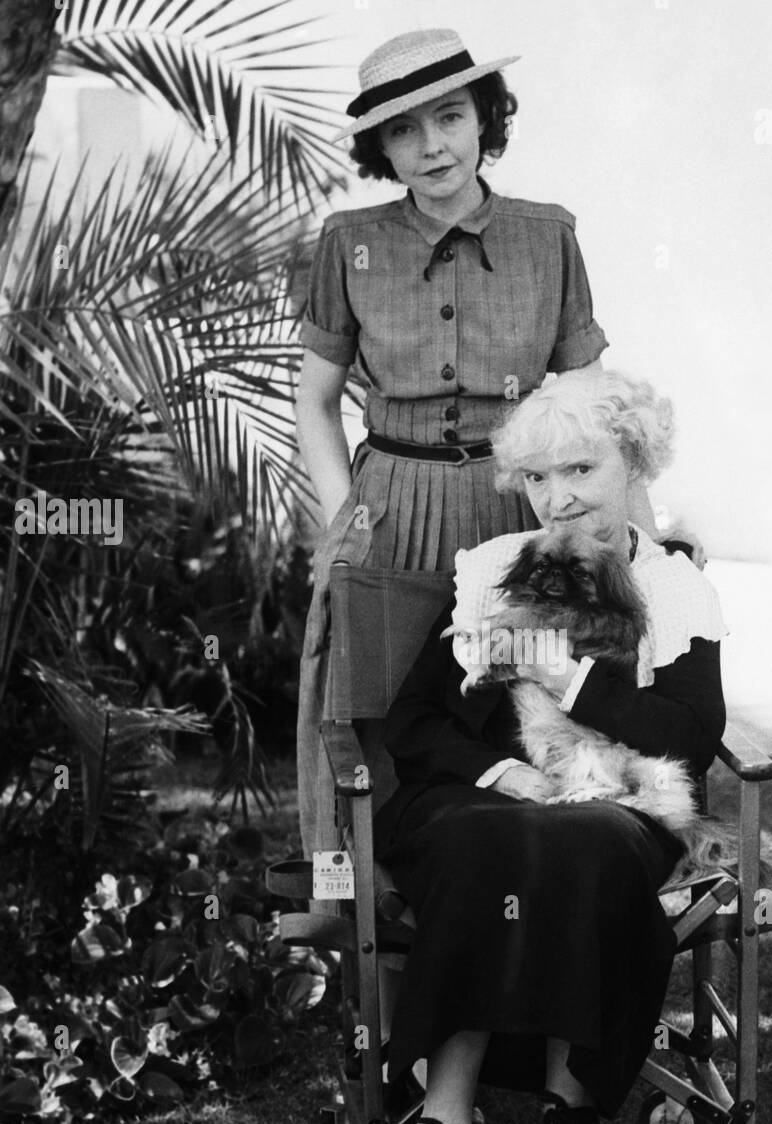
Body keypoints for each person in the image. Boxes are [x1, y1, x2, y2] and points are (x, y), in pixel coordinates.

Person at [372, 371, 728, 1124]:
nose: (556, 500)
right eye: (538, 477)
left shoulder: (677, 589)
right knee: (489, 836)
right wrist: (504, 772)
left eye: (579, 470)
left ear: (633, 462)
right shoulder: (494, 570)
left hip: (621, 799)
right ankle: (447, 1110)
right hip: (476, 795)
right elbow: (413, 723)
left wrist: (564, 683)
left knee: (587, 838)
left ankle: (572, 1103)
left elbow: (688, 735)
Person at [296, 27, 632, 860]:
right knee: (381, 722)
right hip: (392, 510)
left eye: (449, 116)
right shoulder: (348, 243)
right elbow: (316, 401)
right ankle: (389, 941)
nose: (430, 145)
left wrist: (635, 539)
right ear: (382, 147)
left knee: (523, 705)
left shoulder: (547, 236)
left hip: (518, 509)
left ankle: (521, 919)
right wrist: (347, 524)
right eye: (404, 130)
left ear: (486, 118)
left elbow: (595, 405)